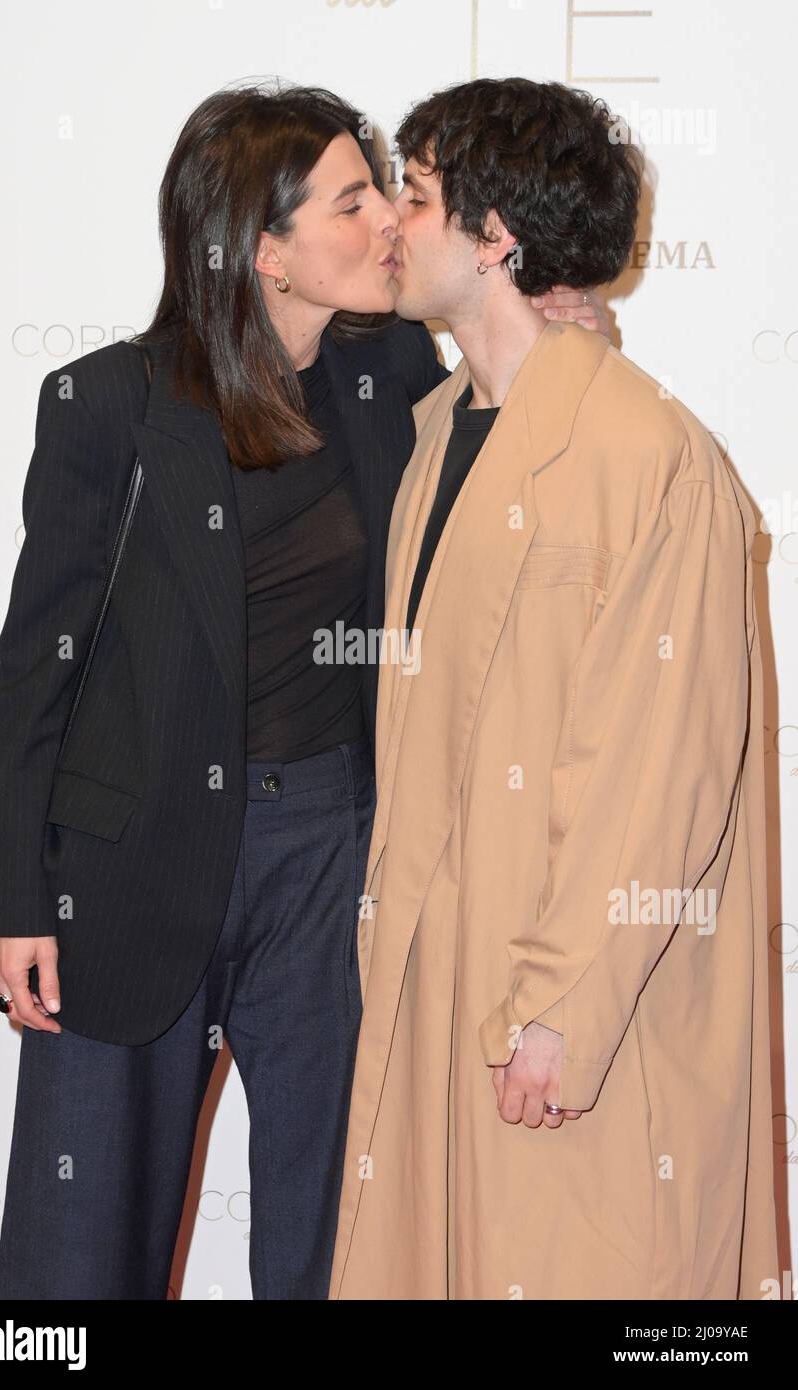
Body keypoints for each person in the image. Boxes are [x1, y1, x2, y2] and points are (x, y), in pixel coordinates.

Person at [0, 80, 604, 1301]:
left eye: (384, 193)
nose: (387, 222)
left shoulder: (387, 373)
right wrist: (16, 897)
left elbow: (494, 470)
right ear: (265, 250)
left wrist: (552, 336)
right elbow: (38, 667)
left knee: (336, 1233)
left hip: (330, 856)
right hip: (131, 860)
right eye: (352, 202)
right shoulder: (108, 404)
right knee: (76, 1249)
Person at [328, 76, 778, 1300]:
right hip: (444, 980)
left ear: (494, 237)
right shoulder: (437, 434)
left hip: (566, 1011)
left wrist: (561, 1007)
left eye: (416, 195)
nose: (389, 221)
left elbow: (659, 767)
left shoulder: (649, 456)